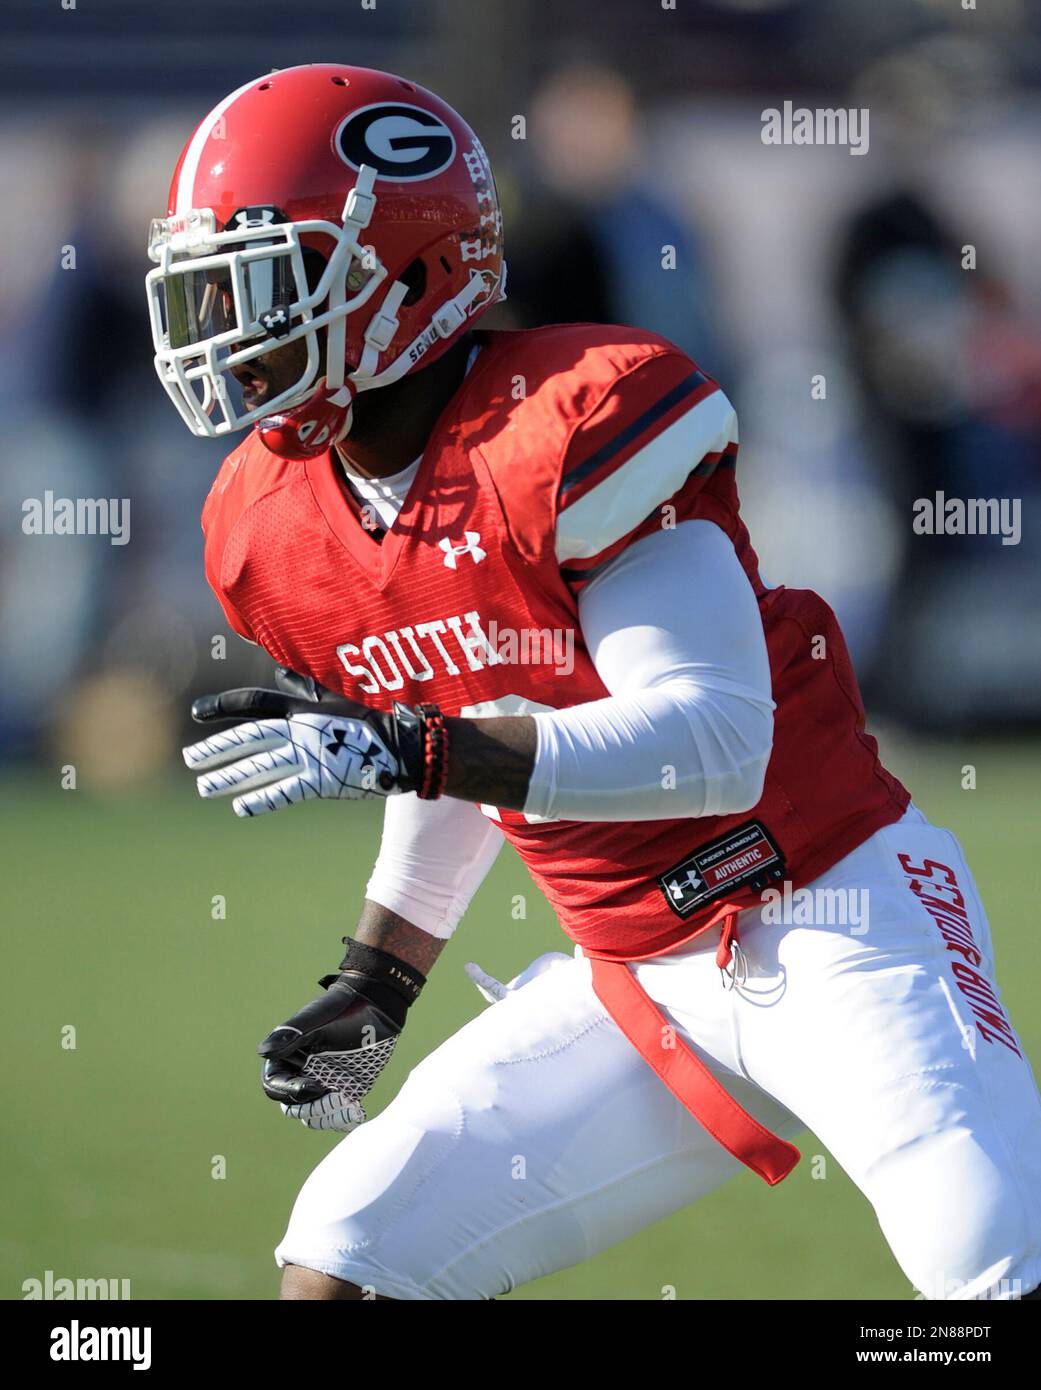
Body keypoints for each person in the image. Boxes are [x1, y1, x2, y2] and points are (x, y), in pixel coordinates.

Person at [148, 64, 1041, 1301]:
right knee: (345, 1252)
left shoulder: (575, 414)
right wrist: (377, 974)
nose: (221, 326)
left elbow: (714, 738)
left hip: (835, 909)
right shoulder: (268, 526)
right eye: (202, 285)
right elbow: (443, 709)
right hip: (629, 973)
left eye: (267, 280)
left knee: (990, 1261)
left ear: (399, 273)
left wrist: (418, 748)